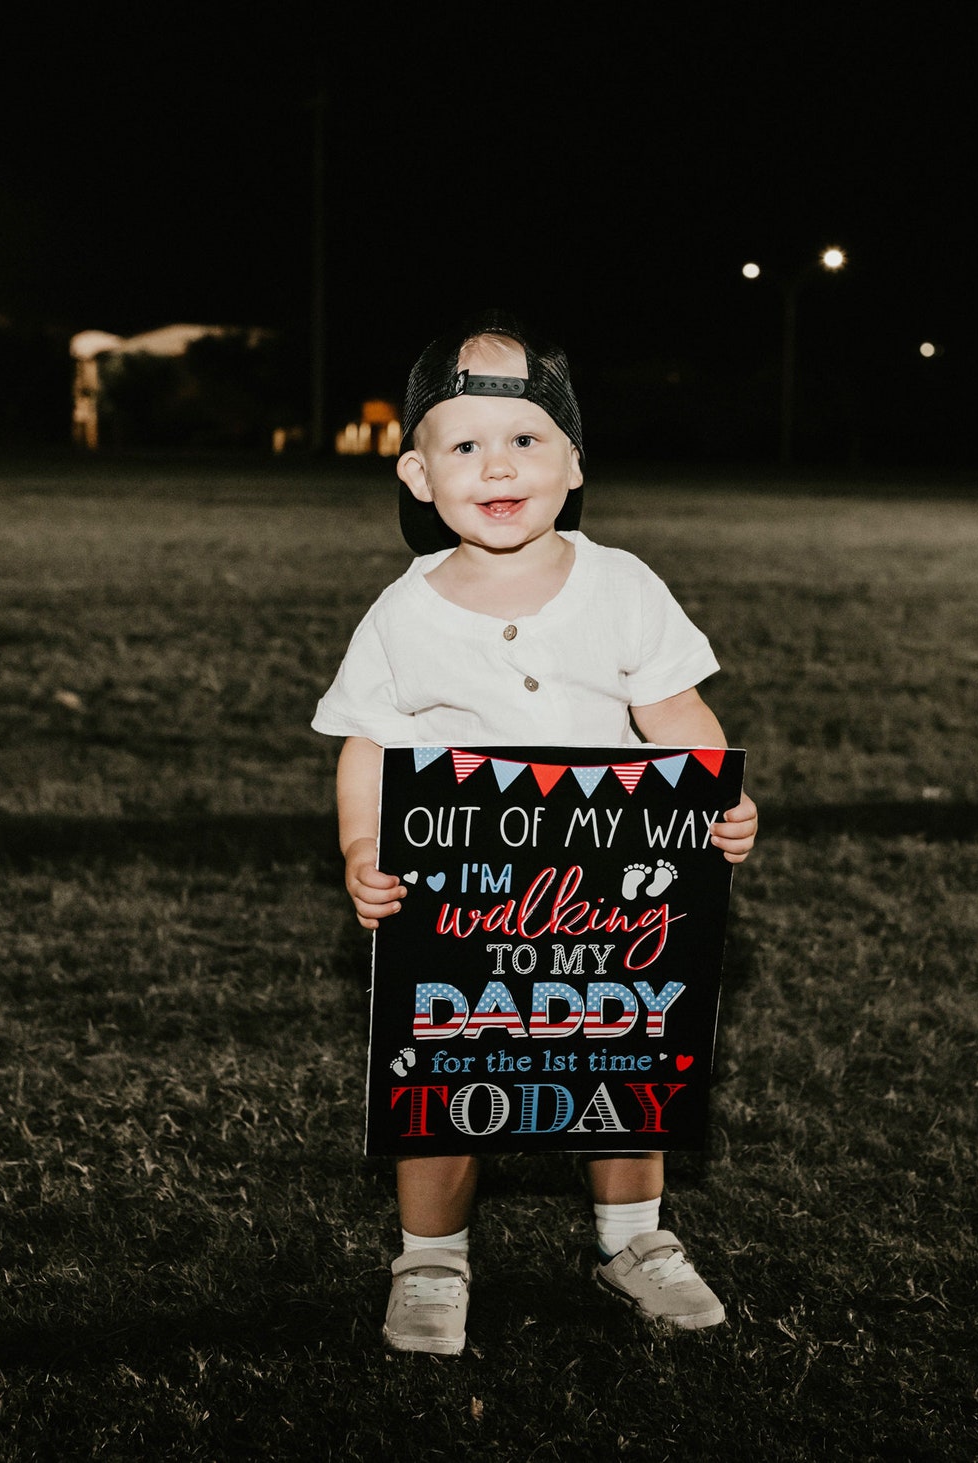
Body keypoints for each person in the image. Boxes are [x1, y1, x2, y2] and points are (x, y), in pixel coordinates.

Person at [313, 310, 758, 1354]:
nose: (496, 464)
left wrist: (715, 796)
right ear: (418, 477)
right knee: (441, 1073)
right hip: (456, 904)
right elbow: (366, 747)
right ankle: (430, 1252)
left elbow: (678, 712)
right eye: (463, 444)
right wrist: (360, 848)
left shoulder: (623, 585)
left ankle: (632, 1238)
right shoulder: (402, 612)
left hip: (609, 900)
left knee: (622, 1057)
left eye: (523, 439)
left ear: (573, 464)